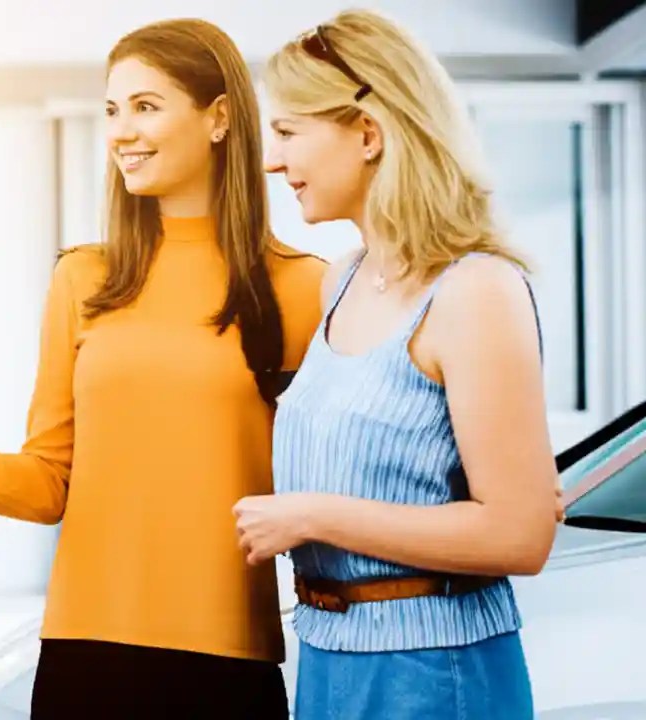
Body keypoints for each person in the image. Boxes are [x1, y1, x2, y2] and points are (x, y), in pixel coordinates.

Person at [0, 18, 325, 719]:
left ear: (219, 117)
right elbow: (47, 486)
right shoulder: (85, 279)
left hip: (228, 663)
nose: (122, 130)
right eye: (111, 109)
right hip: (84, 658)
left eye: (146, 105)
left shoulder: (302, 288)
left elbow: (318, 488)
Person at [235, 9, 558, 719]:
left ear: (369, 134)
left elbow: (520, 533)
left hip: (435, 672)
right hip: (325, 657)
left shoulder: (475, 291)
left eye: (288, 132)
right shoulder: (343, 279)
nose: (272, 160)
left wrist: (314, 515)